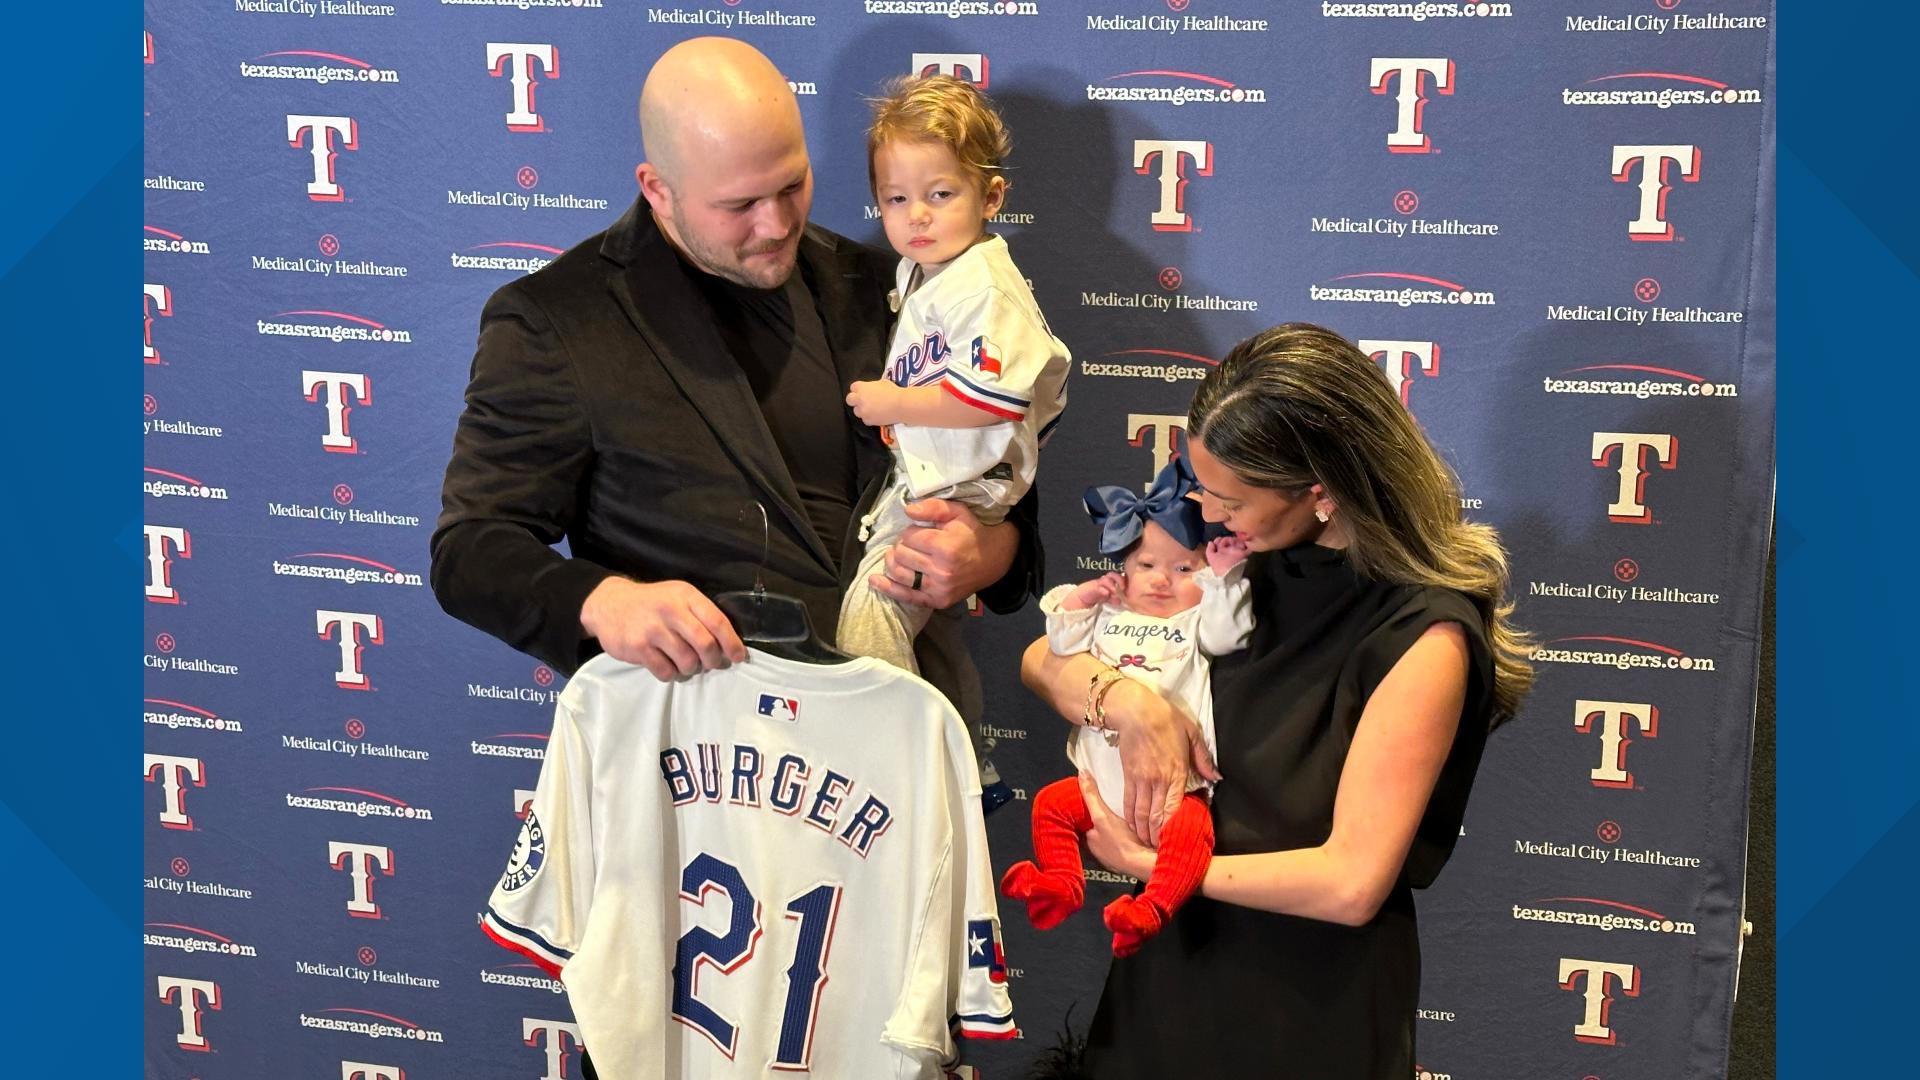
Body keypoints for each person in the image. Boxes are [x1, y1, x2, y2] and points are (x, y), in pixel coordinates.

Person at [430, 39, 1040, 729]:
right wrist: (606, 602)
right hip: (697, 761)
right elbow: (471, 550)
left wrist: (986, 553)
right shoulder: (557, 321)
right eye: (740, 204)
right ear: (657, 188)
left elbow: (999, 478)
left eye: (791, 186)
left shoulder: (882, 284)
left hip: (892, 743)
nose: (776, 224)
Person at [1019, 323, 1535, 1077]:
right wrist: (1127, 702)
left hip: (1305, 1015)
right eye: (1197, 485)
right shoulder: (1239, 569)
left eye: (1227, 498)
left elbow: (1351, 884)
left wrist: (1149, 861)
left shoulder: (1424, 639)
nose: (1204, 512)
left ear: (1319, 491)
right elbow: (1043, 660)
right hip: (1163, 984)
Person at [839, 75, 1069, 673]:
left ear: (991, 197)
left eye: (940, 195)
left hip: (966, 483)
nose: (916, 216)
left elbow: (988, 403)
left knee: (873, 610)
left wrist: (892, 403)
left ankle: (891, 745)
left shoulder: (984, 285)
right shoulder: (925, 269)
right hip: (936, 471)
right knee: (879, 609)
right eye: (896, 199)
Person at [999, 459, 1251, 958]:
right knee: (1051, 804)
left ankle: (1152, 906)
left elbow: (1230, 633)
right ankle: (1061, 882)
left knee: (1191, 830)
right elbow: (1058, 647)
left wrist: (1224, 580)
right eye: (1146, 566)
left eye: (1184, 569)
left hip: (1176, 790)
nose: (1162, 581)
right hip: (1099, 781)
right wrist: (1083, 601)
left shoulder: (1196, 621)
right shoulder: (1109, 614)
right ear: (1122, 568)